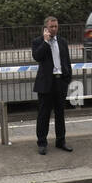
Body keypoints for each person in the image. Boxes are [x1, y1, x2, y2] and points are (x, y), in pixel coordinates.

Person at [32, 15, 73, 155]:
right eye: (51, 27)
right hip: (46, 83)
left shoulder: (63, 42)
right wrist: (46, 42)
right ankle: (42, 143)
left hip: (60, 81)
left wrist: (67, 78)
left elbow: (67, 60)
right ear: (46, 28)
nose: (54, 29)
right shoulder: (38, 42)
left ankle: (61, 141)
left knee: (60, 113)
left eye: (56, 26)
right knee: (43, 114)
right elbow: (37, 57)